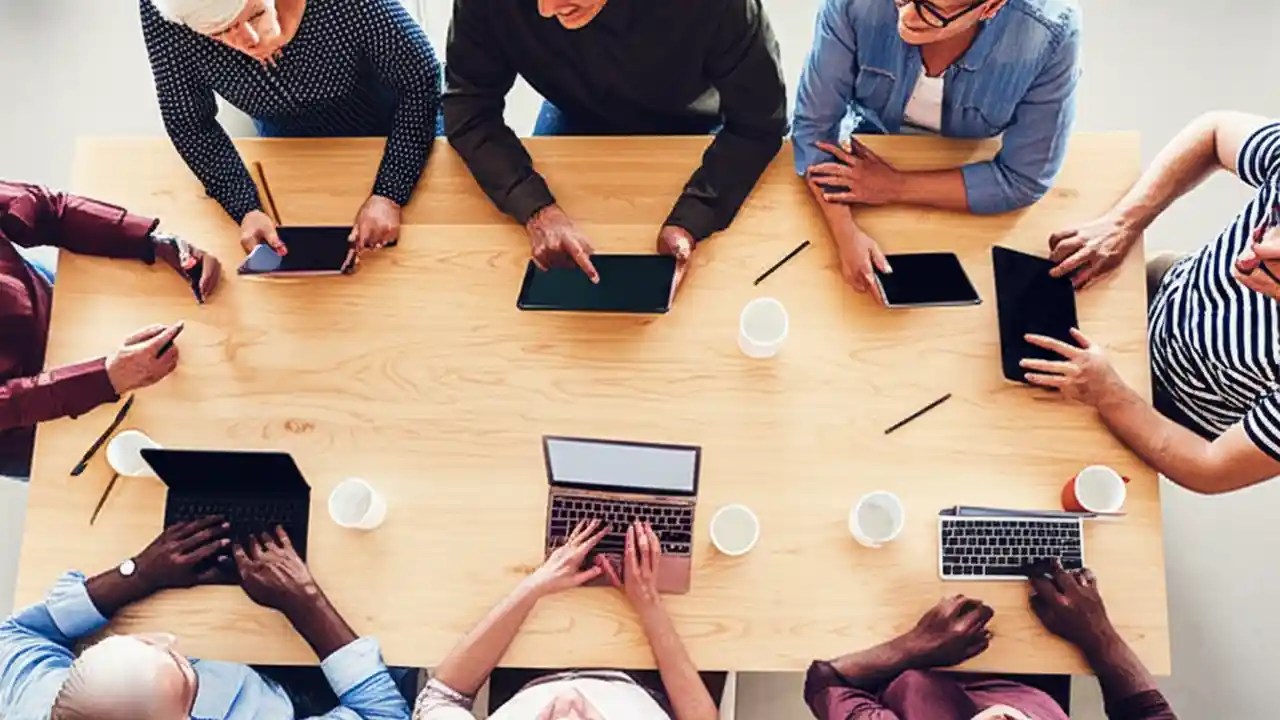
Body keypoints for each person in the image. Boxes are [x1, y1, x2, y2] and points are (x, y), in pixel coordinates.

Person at [443, 0, 787, 297]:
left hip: (692, 122)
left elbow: (760, 122)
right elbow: (469, 109)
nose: (546, 11)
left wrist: (693, 219)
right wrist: (536, 210)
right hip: (574, 113)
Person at [1025, 112, 1280, 495]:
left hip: (1164, 408)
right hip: (1158, 290)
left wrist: (1109, 393)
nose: (1243, 259)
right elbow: (1213, 133)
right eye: (1270, 225)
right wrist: (1122, 223)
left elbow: (1211, 469)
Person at [792, 0, 1080, 296]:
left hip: (964, 169)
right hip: (871, 146)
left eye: (931, 7)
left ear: (991, 7)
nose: (905, 16)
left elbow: (1024, 178)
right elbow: (813, 127)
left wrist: (896, 186)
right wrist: (844, 231)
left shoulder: (1048, 34)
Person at [0, 520, 411, 719]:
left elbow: (16, 632)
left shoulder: (32, 694)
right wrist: (307, 605)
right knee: (404, 646)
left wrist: (139, 574)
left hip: (232, 631)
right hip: (299, 699)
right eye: (182, 670)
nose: (170, 640)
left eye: (141, 642)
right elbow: (382, 715)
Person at [141, 0, 443, 255]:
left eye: (256, 14)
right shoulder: (165, 11)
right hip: (288, 140)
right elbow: (189, 121)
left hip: (395, 120)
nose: (250, 40)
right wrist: (245, 208)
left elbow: (419, 75)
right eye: (221, 33)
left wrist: (390, 192)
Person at [0, 182, 221, 479]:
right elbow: (11, 405)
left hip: (50, 308)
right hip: (27, 428)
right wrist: (104, 378)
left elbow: (46, 210)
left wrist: (150, 241)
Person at [416, 520, 721, 719]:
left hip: (526, 665)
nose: (568, 702)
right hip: (648, 677)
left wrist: (535, 586)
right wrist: (649, 603)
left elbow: (444, 695)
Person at [805, 560, 1177, 719]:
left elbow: (826, 681)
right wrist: (1096, 634)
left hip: (913, 681)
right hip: (1034, 690)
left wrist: (915, 647)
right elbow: (1146, 713)